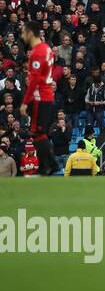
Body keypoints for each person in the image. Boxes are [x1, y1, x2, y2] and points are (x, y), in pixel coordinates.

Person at [20, 21, 57, 175]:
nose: (22, 35)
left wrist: (24, 102)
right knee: (38, 133)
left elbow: (34, 79)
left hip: (40, 96)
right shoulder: (47, 48)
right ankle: (51, 165)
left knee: (36, 132)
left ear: (30, 32)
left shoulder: (37, 52)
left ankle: (45, 167)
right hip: (47, 94)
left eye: (23, 32)